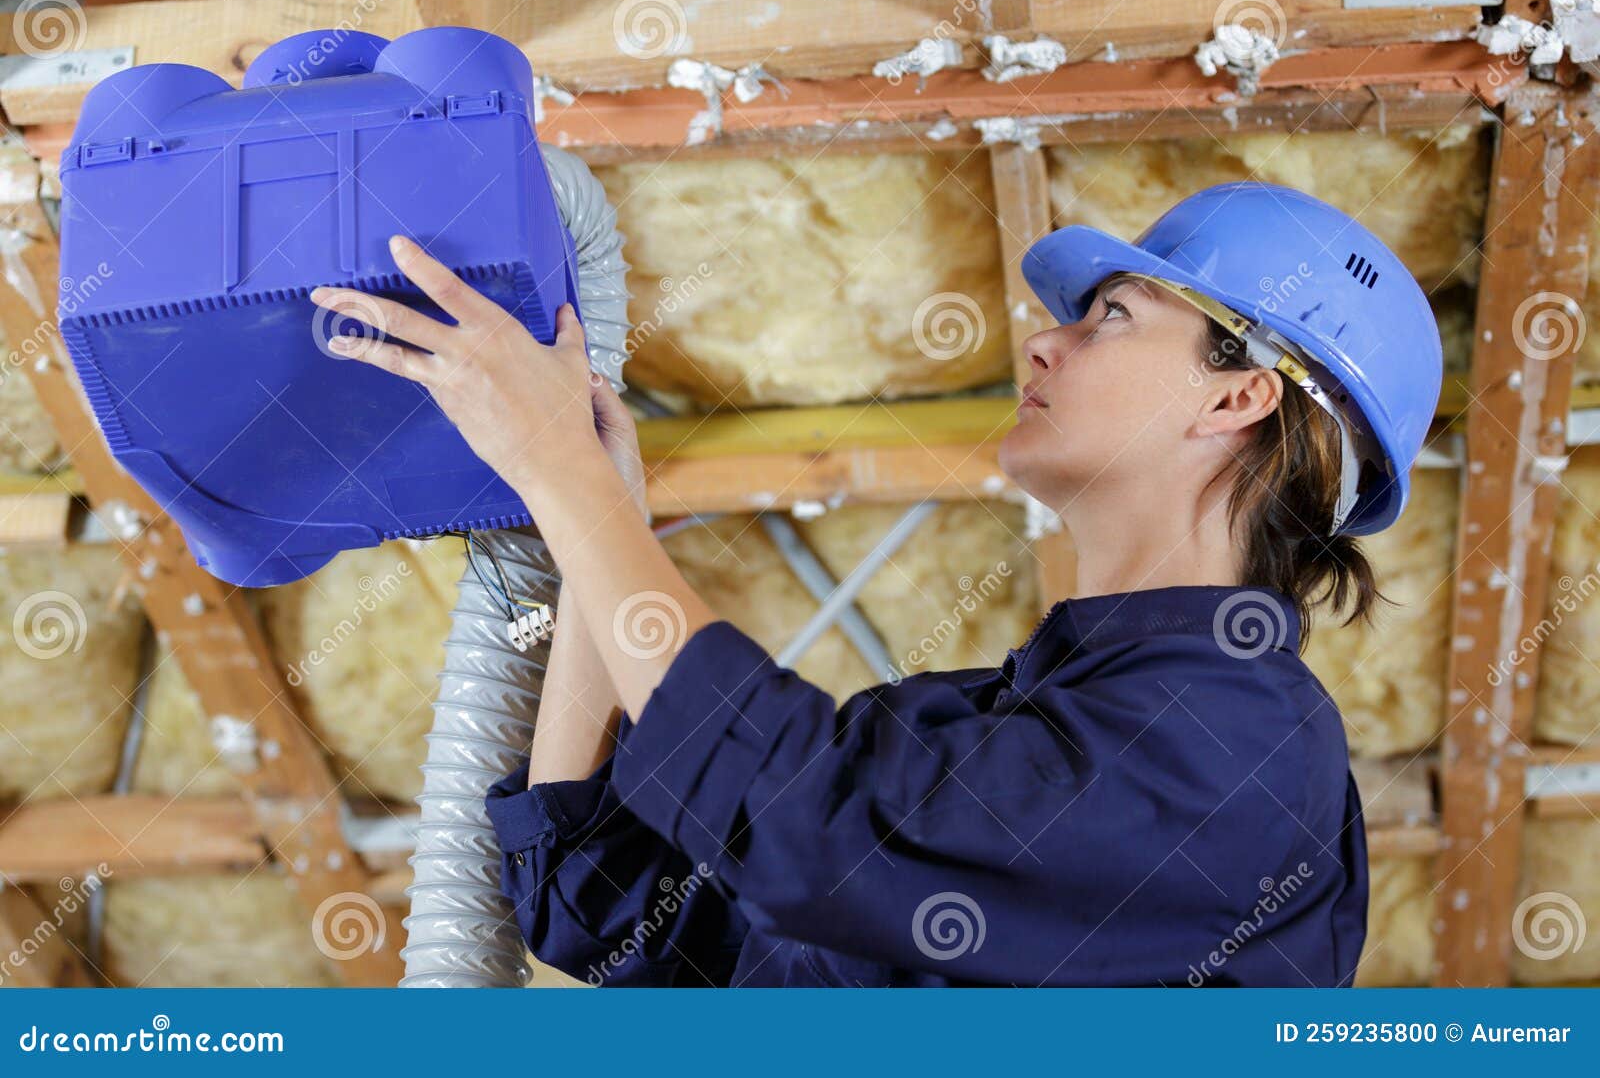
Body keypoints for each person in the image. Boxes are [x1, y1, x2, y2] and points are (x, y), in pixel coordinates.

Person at [311, 180, 1442, 986]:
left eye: (1110, 315)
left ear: (1237, 397)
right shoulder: (983, 732)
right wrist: (589, 506)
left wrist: (563, 475)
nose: (1046, 344)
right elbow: (607, 910)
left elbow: (809, 818)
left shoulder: (1241, 742)